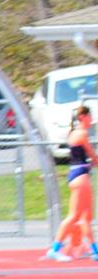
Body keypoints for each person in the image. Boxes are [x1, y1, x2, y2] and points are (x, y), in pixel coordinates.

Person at [43, 104, 94, 262]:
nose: (91, 119)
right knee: (74, 216)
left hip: (79, 175)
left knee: (86, 216)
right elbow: (92, 154)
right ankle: (55, 248)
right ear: (83, 117)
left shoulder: (74, 133)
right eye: (89, 116)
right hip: (80, 178)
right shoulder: (81, 133)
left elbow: (87, 157)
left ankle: (88, 249)